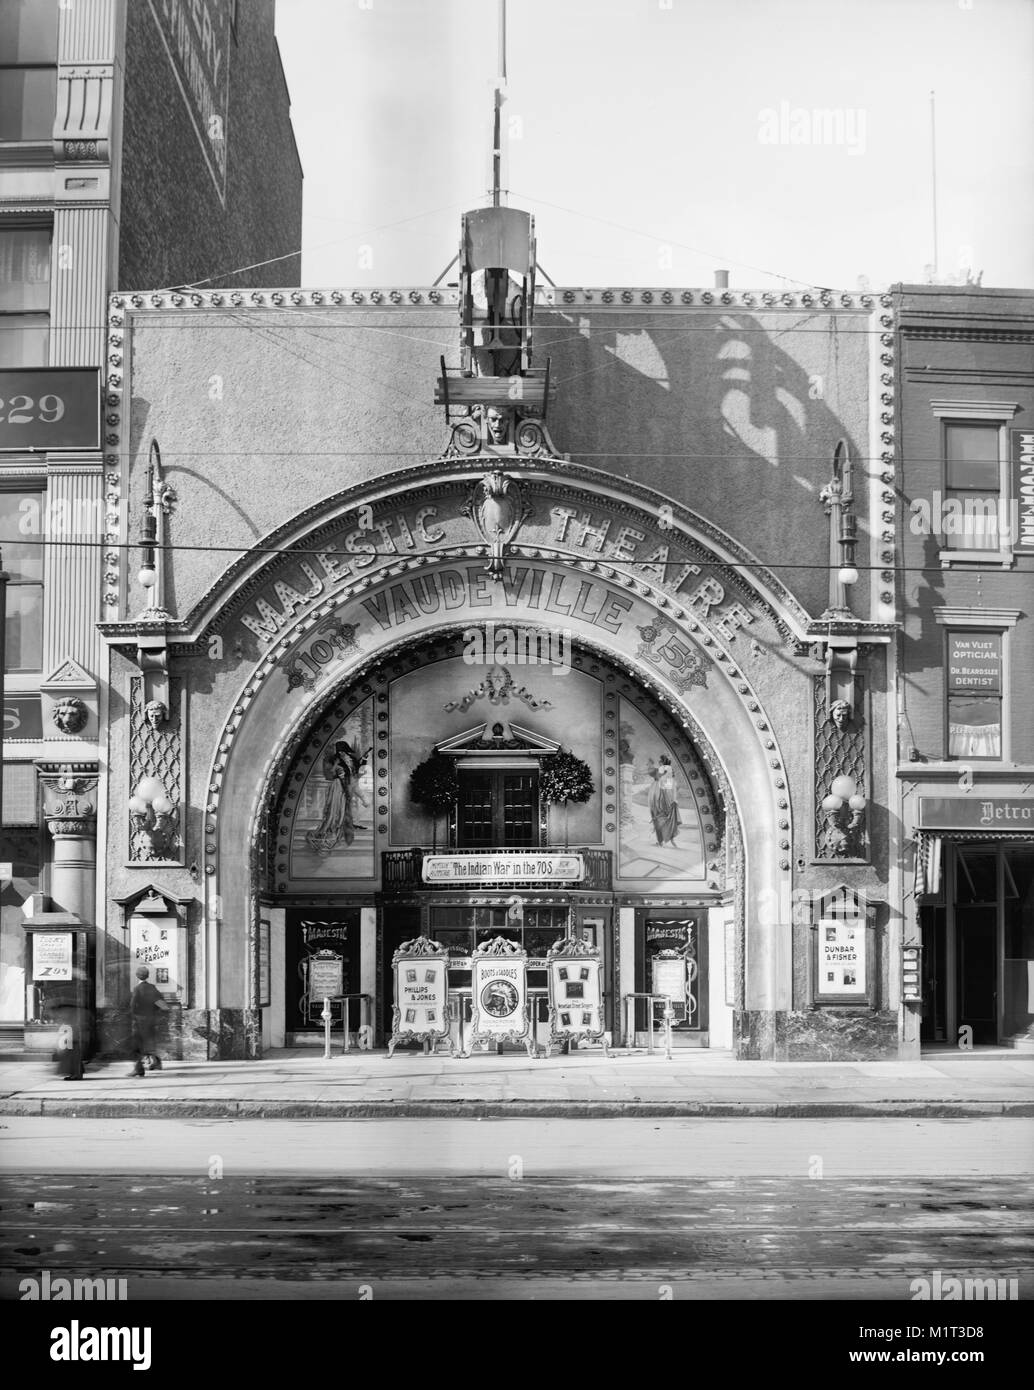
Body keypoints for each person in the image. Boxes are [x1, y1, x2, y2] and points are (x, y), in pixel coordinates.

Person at [305, 739, 370, 854]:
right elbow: (330, 774)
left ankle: (342, 832)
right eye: (342, 752)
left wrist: (364, 759)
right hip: (338, 787)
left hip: (348, 786)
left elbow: (357, 768)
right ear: (339, 752)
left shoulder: (351, 759)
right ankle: (332, 832)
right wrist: (338, 774)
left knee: (343, 809)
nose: (344, 754)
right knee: (335, 810)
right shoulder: (334, 760)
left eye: (345, 752)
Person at [129, 966, 167, 1077]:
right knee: (149, 1043)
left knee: (137, 1045)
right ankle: (156, 1063)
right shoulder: (152, 988)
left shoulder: (137, 989)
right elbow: (161, 1004)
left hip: (139, 1021)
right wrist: (153, 1012)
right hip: (151, 1020)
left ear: (137, 976)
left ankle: (138, 1069)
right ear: (147, 976)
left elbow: (132, 1006)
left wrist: (134, 1015)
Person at [648, 755, 681, 847]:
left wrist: (672, 799)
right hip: (661, 796)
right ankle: (663, 840)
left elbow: (668, 786)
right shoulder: (666, 772)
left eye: (660, 763)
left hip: (662, 797)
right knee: (663, 818)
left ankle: (663, 840)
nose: (660, 765)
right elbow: (670, 786)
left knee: (663, 818)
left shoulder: (666, 771)